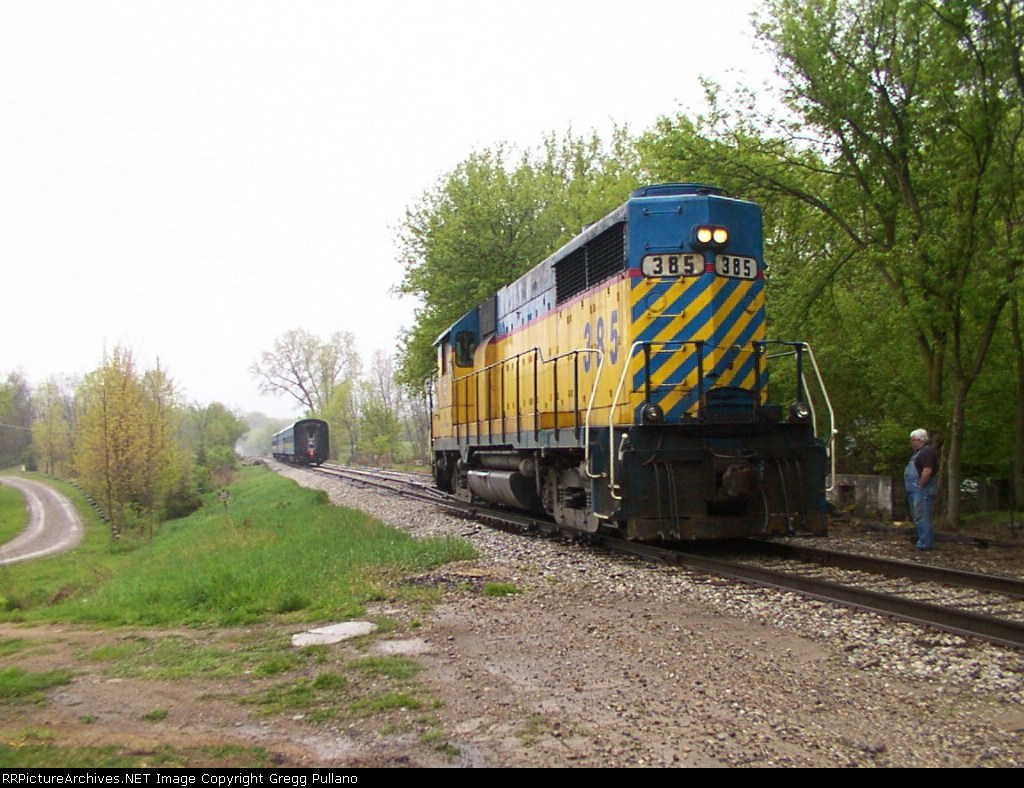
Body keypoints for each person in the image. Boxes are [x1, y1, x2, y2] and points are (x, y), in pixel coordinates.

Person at [904, 428, 939, 551]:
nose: (912, 443)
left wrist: (921, 485)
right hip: (915, 490)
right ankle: (922, 540)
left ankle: (925, 543)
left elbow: (927, 470)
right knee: (918, 517)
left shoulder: (926, 451)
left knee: (922, 517)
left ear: (919, 440)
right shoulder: (918, 453)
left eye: (913, 440)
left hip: (921, 490)